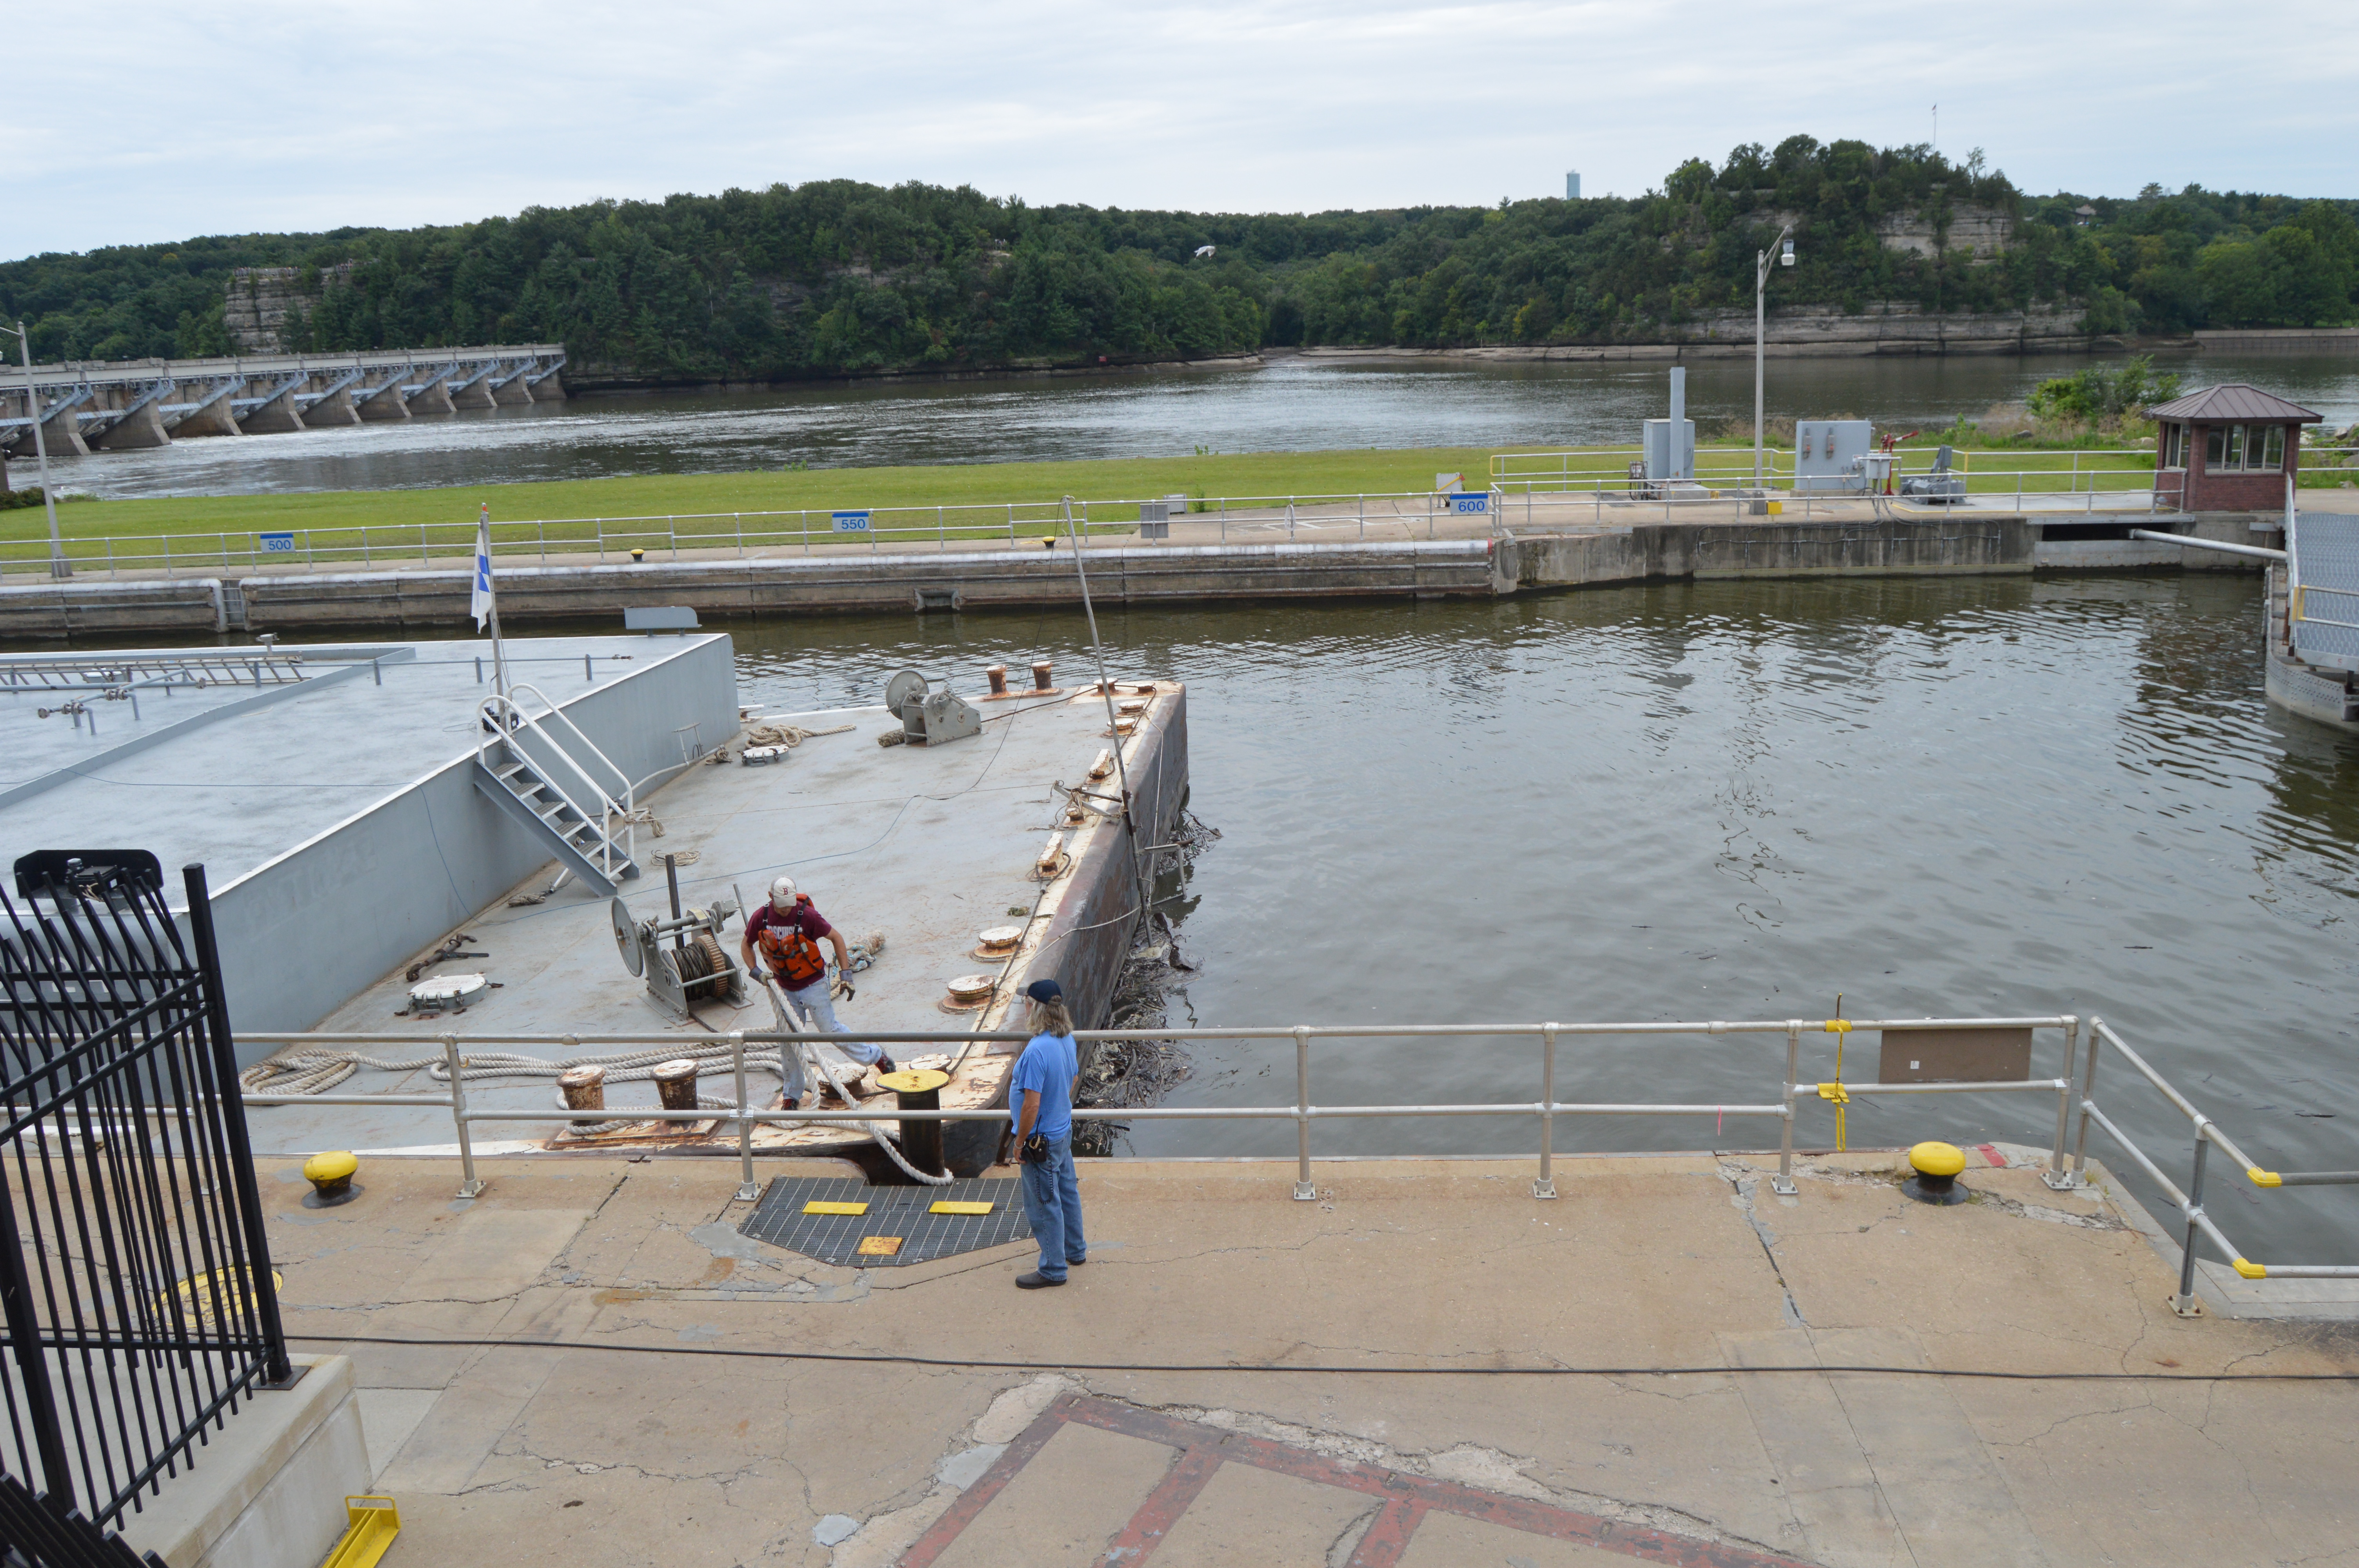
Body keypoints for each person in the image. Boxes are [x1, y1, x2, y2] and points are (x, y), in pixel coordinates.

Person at [740, 876, 894, 1108]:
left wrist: (846, 976)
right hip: (785, 989)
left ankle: (876, 1056)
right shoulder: (760, 918)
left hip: (814, 984)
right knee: (789, 1041)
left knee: (829, 1030)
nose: (786, 911)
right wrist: (756, 972)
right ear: (771, 897)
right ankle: (792, 1095)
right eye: (782, 906)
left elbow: (836, 938)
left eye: (790, 905)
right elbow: (746, 944)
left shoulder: (807, 916)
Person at [1009, 977, 1085, 1289]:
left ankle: (1053, 1269)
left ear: (1033, 1007)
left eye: (1025, 1002)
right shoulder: (1066, 1038)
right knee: (1067, 1191)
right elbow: (1074, 1076)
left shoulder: (1037, 1049)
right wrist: (1059, 1107)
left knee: (1043, 1203)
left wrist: (1019, 1142)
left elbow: (1031, 1105)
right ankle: (1075, 1250)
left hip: (1040, 1140)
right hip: (1061, 1131)